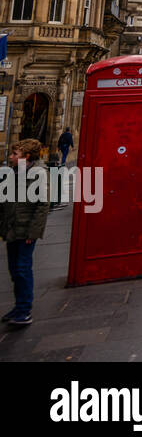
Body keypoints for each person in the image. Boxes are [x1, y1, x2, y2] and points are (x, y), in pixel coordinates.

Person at [2, 139, 49, 326]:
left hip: (26, 230)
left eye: (15, 154)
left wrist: (33, 233)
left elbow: (42, 205)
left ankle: (24, 310)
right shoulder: (13, 172)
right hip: (12, 228)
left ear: (26, 156)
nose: (11, 157)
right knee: (14, 270)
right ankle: (18, 306)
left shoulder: (39, 174)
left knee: (22, 269)